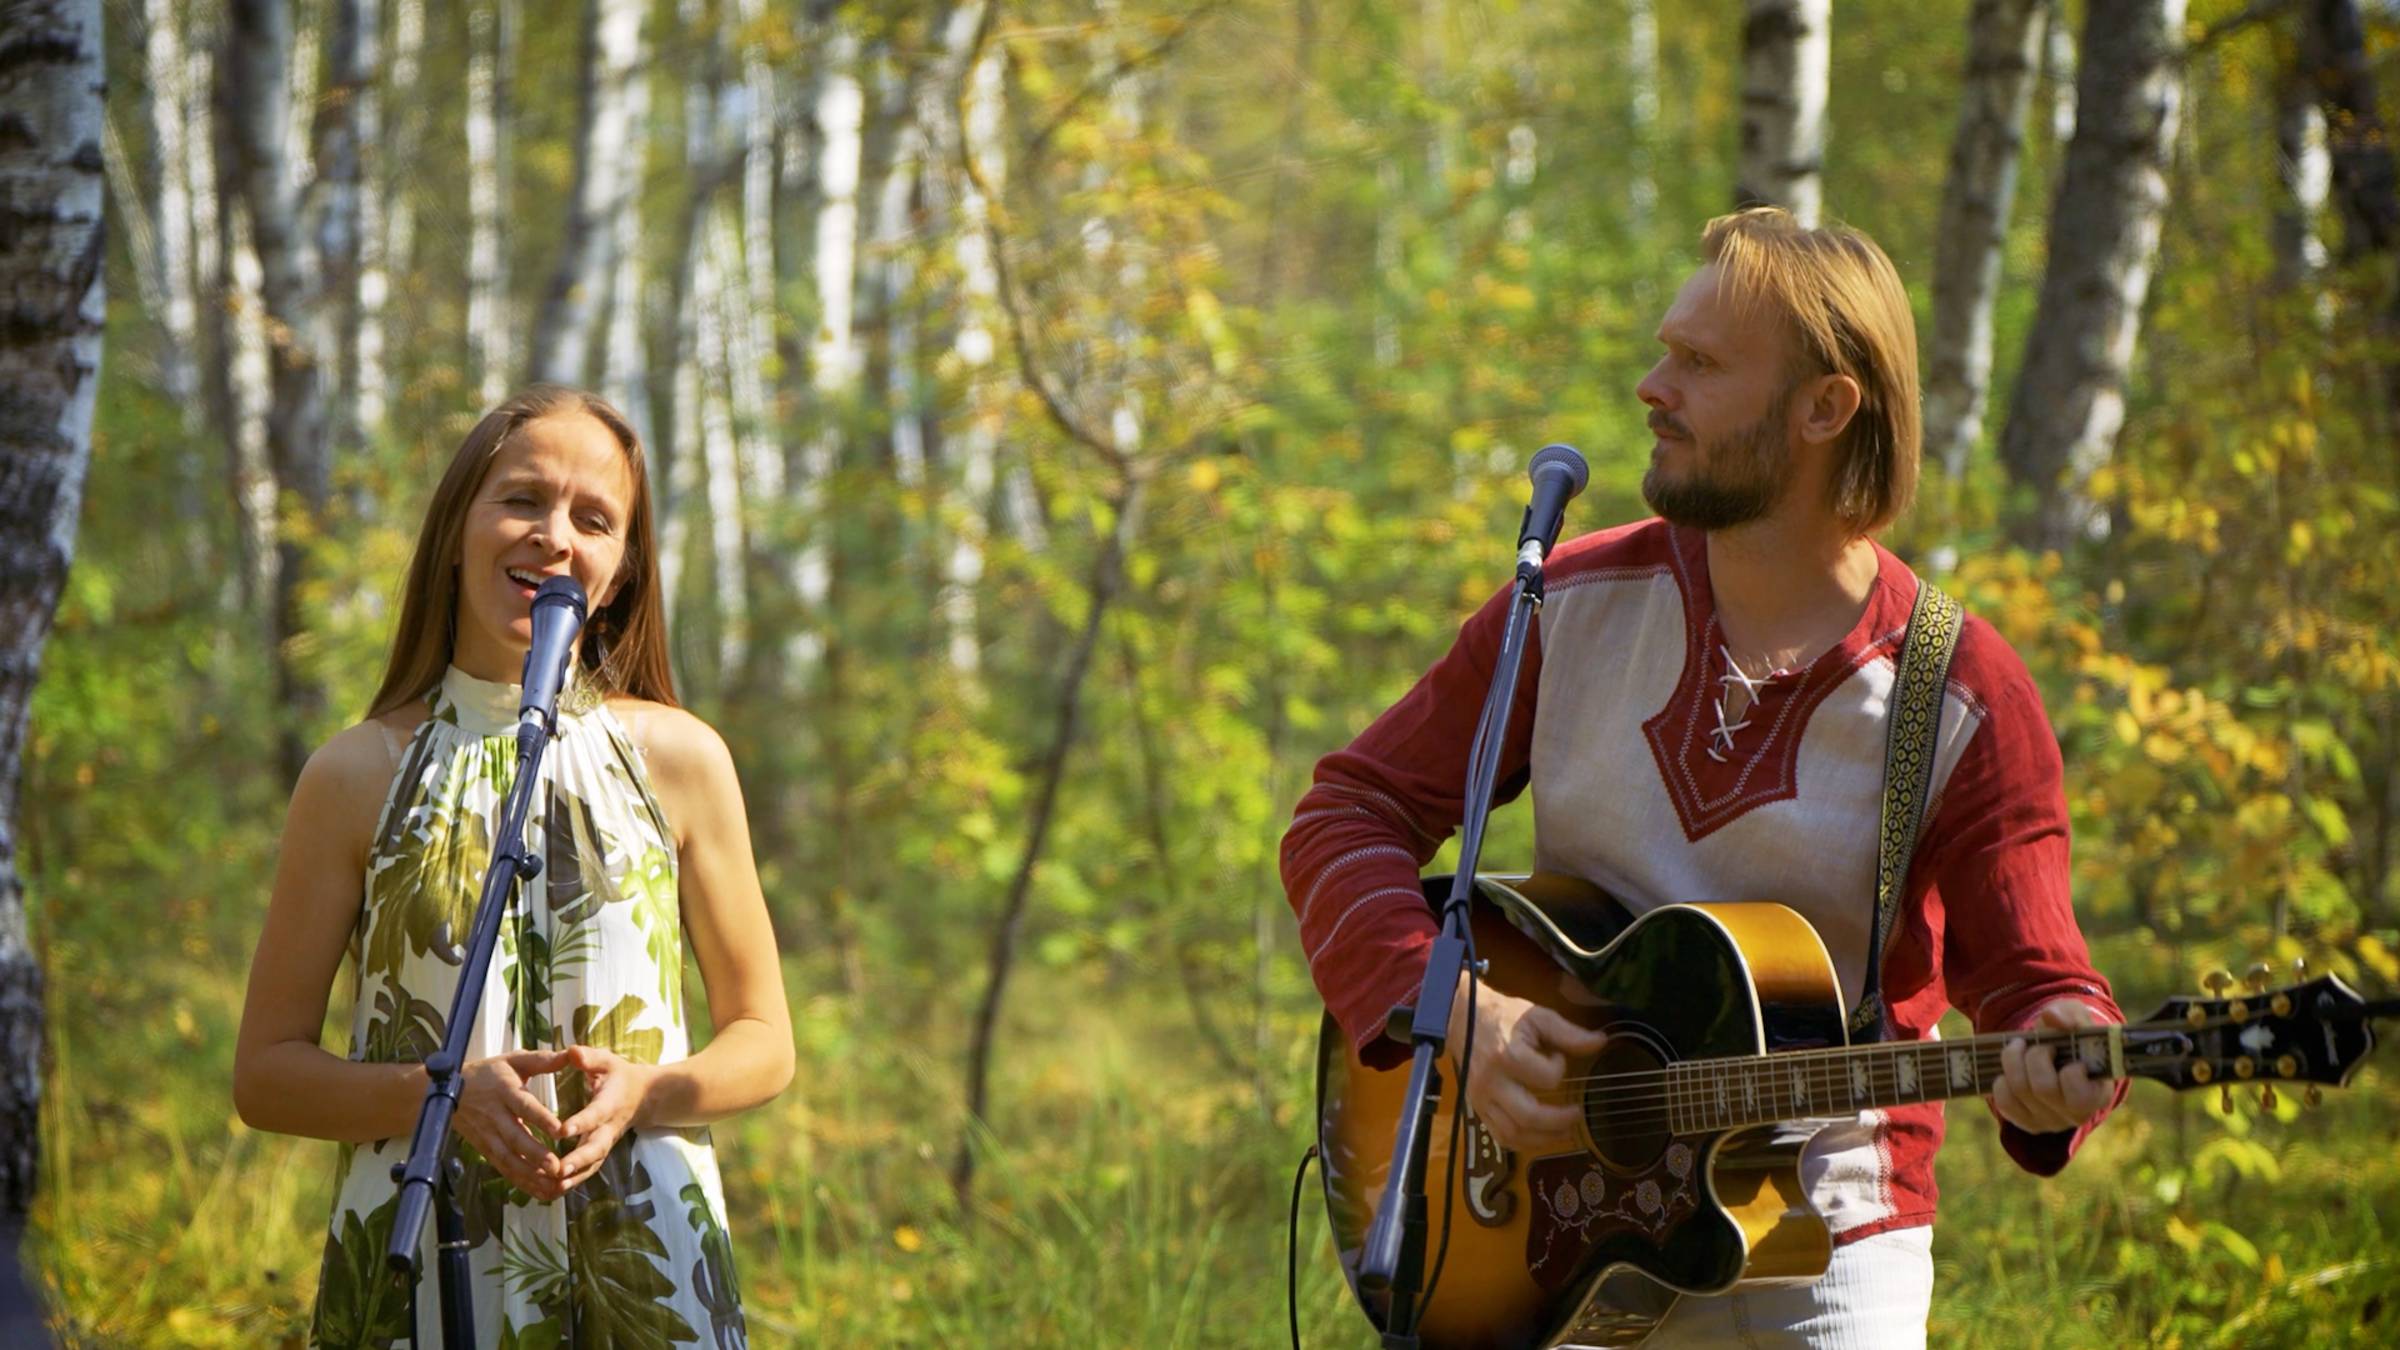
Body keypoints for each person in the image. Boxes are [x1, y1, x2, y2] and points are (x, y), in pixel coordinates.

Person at [1280, 208, 2122, 1345]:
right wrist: (1457, 1012)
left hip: (1823, 1253)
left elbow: (2043, 990)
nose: (1649, 384)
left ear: (1825, 408)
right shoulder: (1565, 606)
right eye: (1666, 349)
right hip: (1541, 1241)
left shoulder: (1960, 693)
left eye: (1700, 363)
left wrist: (2065, 1057)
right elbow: (1348, 813)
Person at [234, 386, 793, 1347]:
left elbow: (764, 1037)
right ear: (457, 530)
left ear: (618, 573)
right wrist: (437, 1095)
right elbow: (266, 1076)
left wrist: (649, 1091)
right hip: (424, 1258)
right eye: (522, 500)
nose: (554, 537)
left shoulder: (683, 760)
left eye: (594, 518)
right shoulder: (356, 774)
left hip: (647, 1259)